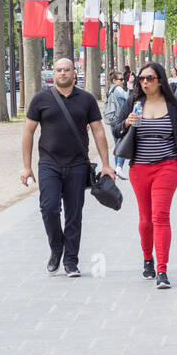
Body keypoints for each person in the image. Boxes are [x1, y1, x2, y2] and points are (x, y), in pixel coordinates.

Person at [112, 61, 177, 289]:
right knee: (146, 219)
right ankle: (148, 258)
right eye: (142, 79)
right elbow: (116, 130)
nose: (145, 82)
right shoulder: (133, 103)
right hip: (140, 169)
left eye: (150, 78)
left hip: (167, 167)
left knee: (160, 216)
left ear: (160, 80)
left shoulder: (174, 105)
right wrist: (126, 122)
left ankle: (162, 270)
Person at [21, 58, 115, 278]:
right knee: (49, 208)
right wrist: (26, 167)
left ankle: (71, 261)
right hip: (48, 165)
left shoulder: (86, 99)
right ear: (53, 74)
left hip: (77, 165)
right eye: (58, 70)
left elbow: (98, 131)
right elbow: (28, 132)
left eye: (66, 70)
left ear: (74, 73)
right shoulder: (40, 99)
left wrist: (106, 165)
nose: (62, 73)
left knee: (74, 215)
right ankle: (56, 248)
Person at [102, 69, 129, 180]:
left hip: (113, 119)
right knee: (122, 143)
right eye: (121, 79)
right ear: (114, 80)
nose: (123, 81)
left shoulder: (110, 89)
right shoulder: (118, 89)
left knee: (117, 143)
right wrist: (131, 87)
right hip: (120, 119)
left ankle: (117, 166)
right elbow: (128, 97)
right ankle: (119, 167)